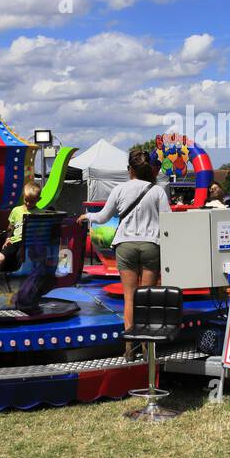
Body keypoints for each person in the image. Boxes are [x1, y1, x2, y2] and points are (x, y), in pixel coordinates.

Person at [78, 150, 171, 356]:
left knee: (130, 297)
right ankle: (148, 346)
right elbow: (168, 220)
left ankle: (129, 345)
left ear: (130, 170)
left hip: (125, 245)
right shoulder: (158, 191)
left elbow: (102, 217)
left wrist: (87, 217)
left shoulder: (120, 190)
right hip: (151, 245)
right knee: (146, 297)